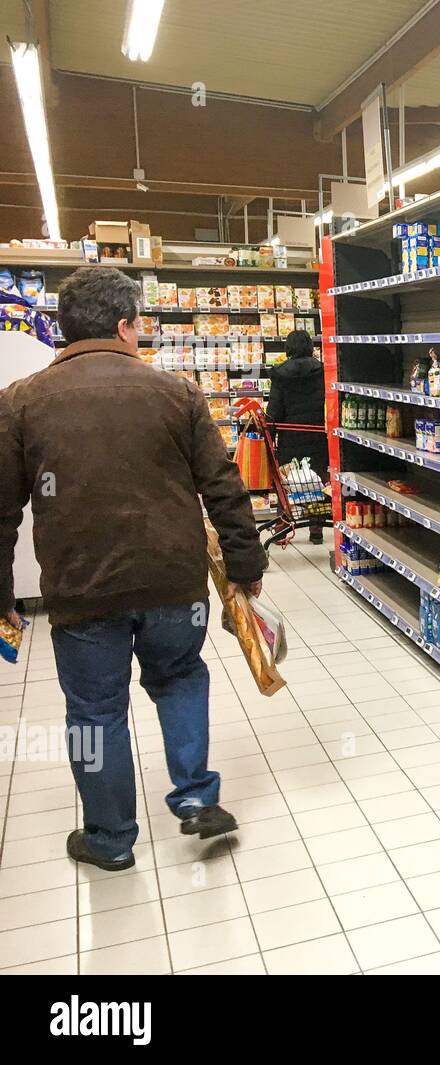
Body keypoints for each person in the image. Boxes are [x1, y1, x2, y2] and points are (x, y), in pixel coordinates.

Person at [0, 267, 265, 872]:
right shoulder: (178, 394)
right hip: (173, 582)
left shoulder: (19, 401)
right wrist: (245, 566)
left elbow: (0, 512)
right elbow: (222, 487)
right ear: (125, 326)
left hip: (80, 589)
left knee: (94, 713)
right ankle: (196, 796)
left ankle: (111, 837)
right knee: (179, 678)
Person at [266, 329, 328, 543]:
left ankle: (283, 526)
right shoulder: (322, 371)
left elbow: (274, 410)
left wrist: (269, 434)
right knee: (317, 482)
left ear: (288, 348)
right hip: (318, 435)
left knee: (286, 481)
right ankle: (316, 530)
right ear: (310, 347)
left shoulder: (280, 373)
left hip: (289, 438)